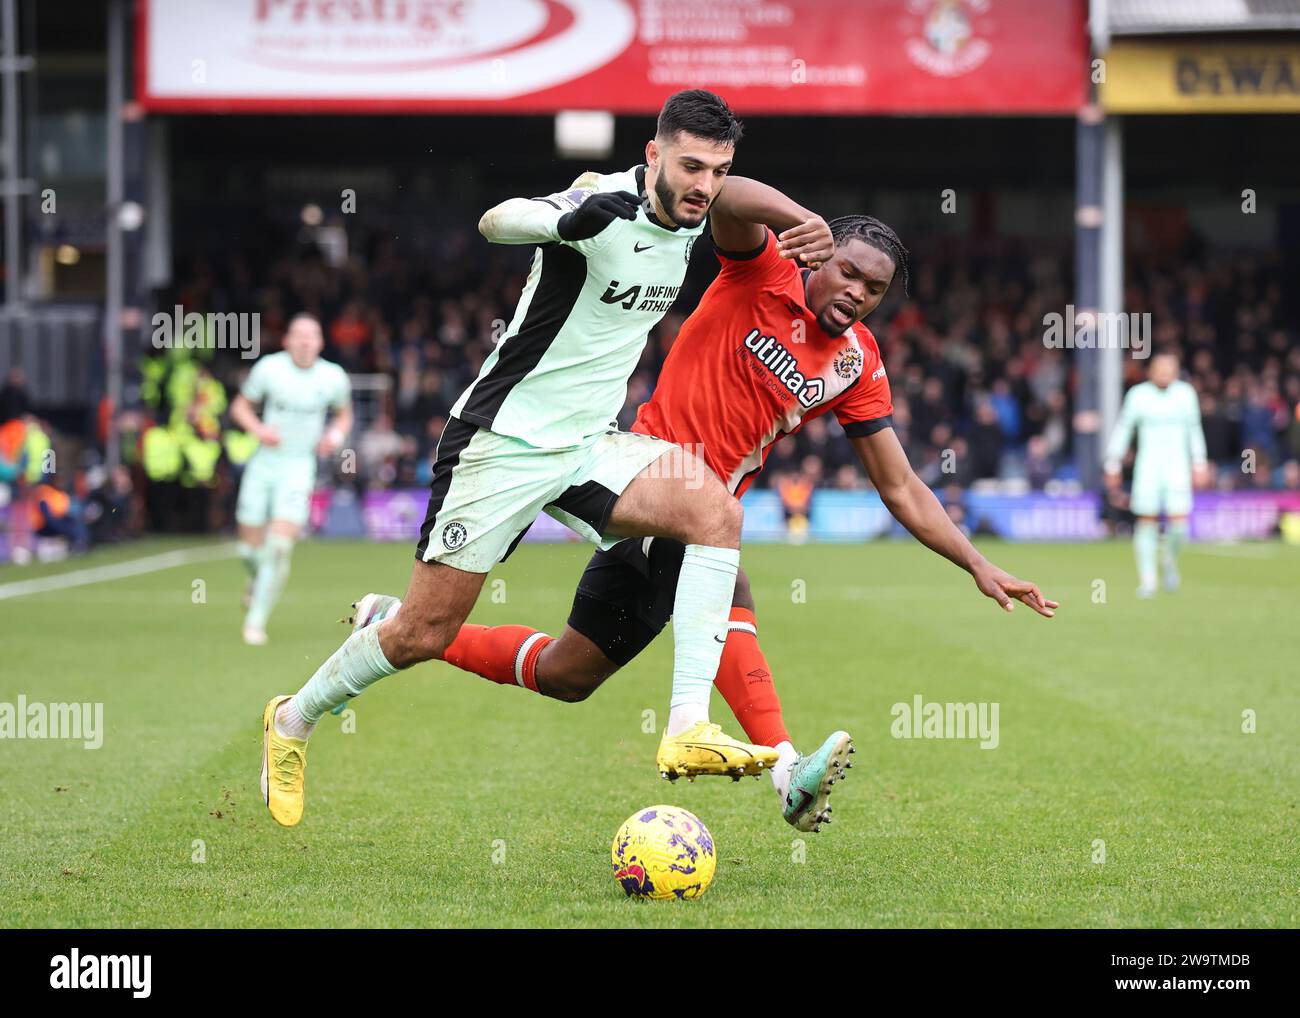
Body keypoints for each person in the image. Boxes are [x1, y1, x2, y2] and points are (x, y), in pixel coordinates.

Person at [351, 213, 1059, 832]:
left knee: (567, 674)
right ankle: (787, 771)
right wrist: (796, 217)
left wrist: (977, 562)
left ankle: (402, 627)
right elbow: (726, 195)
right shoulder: (761, 272)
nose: (857, 293)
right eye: (848, 272)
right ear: (819, 256)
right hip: (649, 481)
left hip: (698, 517)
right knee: (731, 585)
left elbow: (900, 484)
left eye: (874, 289)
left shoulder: (856, 361)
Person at [261, 89, 839, 827]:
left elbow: (739, 198)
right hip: (501, 442)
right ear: (653, 155)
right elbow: (496, 220)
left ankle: (687, 725)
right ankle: (293, 721)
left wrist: (799, 217)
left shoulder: (697, 214)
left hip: (588, 444)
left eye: (718, 171)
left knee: (714, 513)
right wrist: (564, 219)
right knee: (421, 633)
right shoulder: (603, 200)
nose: (704, 185)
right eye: (690, 165)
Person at [230, 313, 352, 644]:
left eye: (311, 336)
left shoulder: (333, 377)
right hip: (265, 464)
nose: (304, 341)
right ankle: (256, 578)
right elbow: (240, 407)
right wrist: (259, 429)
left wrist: (334, 437)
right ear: (286, 341)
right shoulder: (269, 369)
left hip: (299, 469)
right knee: (248, 549)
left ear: (320, 342)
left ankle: (256, 621)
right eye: (298, 335)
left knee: (280, 546)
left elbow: (344, 414)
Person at [1104, 352, 1209, 597]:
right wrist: (1112, 463)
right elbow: (1124, 428)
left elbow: (1194, 429)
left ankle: (1169, 560)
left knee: (1179, 524)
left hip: (1177, 467)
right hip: (1148, 467)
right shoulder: (1138, 395)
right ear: (1151, 371)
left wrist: (1200, 463)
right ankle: (1148, 579)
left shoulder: (1185, 394)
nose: (1165, 374)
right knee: (1146, 521)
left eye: (1169, 369)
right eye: (1160, 369)